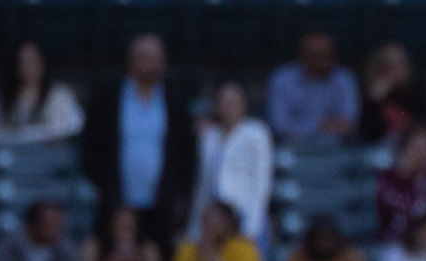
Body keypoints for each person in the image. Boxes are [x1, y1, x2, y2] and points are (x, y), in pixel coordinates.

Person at [80, 34, 195, 247]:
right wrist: (102, 182)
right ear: (130, 61)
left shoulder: (175, 98)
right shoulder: (108, 97)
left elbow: (186, 150)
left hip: (161, 203)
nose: (150, 65)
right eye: (144, 58)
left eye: (155, 58)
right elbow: (90, 145)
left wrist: (179, 192)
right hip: (116, 201)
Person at [191, 82, 274, 245]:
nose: (229, 107)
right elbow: (203, 183)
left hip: (244, 213)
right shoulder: (209, 137)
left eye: (233, 102)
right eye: (224, 102)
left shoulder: (256, 132)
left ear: (244, 105)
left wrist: (252, 226)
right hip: (215, 216)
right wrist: (194, 225)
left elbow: (262, 180)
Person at [268, 32, 360, 143]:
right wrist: (320, 125)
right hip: (292, 148)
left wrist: (301, 126)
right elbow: (279, 126)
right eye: (317, 55)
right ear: (302, 56)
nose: (323, 61)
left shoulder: (344, 78)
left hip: (337, 148)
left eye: (328, 56)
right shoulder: (282, 78)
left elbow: (349, 123)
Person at [0, 40, 84, 145]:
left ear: (42, 64)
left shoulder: (59, 94)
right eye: (23, 63)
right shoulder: (3, 96)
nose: (29, 68)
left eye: (33, 61)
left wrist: (33, 134)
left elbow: (75, 124)